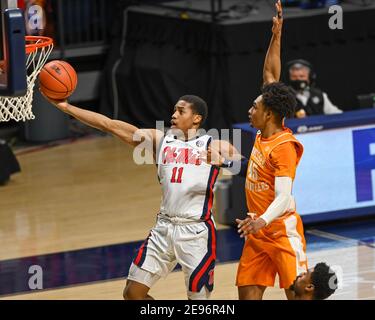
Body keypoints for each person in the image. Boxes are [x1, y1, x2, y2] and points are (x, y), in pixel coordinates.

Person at [42, 92, 240, 300]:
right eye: (174, 110)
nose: (173, 115)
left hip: (197, 232)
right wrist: (67, 108)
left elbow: (247, 166)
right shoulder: (160, 140)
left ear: (197, 118)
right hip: (164, 228)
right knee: (132, 294)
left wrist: (223, 162)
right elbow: (109, 125)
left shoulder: (215, 145)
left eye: (180, 111)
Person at [210, 0, 308, 300]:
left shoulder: (284, 148)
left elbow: (283, 197)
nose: (249, 110)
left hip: (280, 230)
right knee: (247, 295)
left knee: (300, 295)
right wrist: (277, 35)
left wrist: (261, 221)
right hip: (257, 232)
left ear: (268, 115)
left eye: (255, 107)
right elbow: (269, 75)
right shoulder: (264, 129)